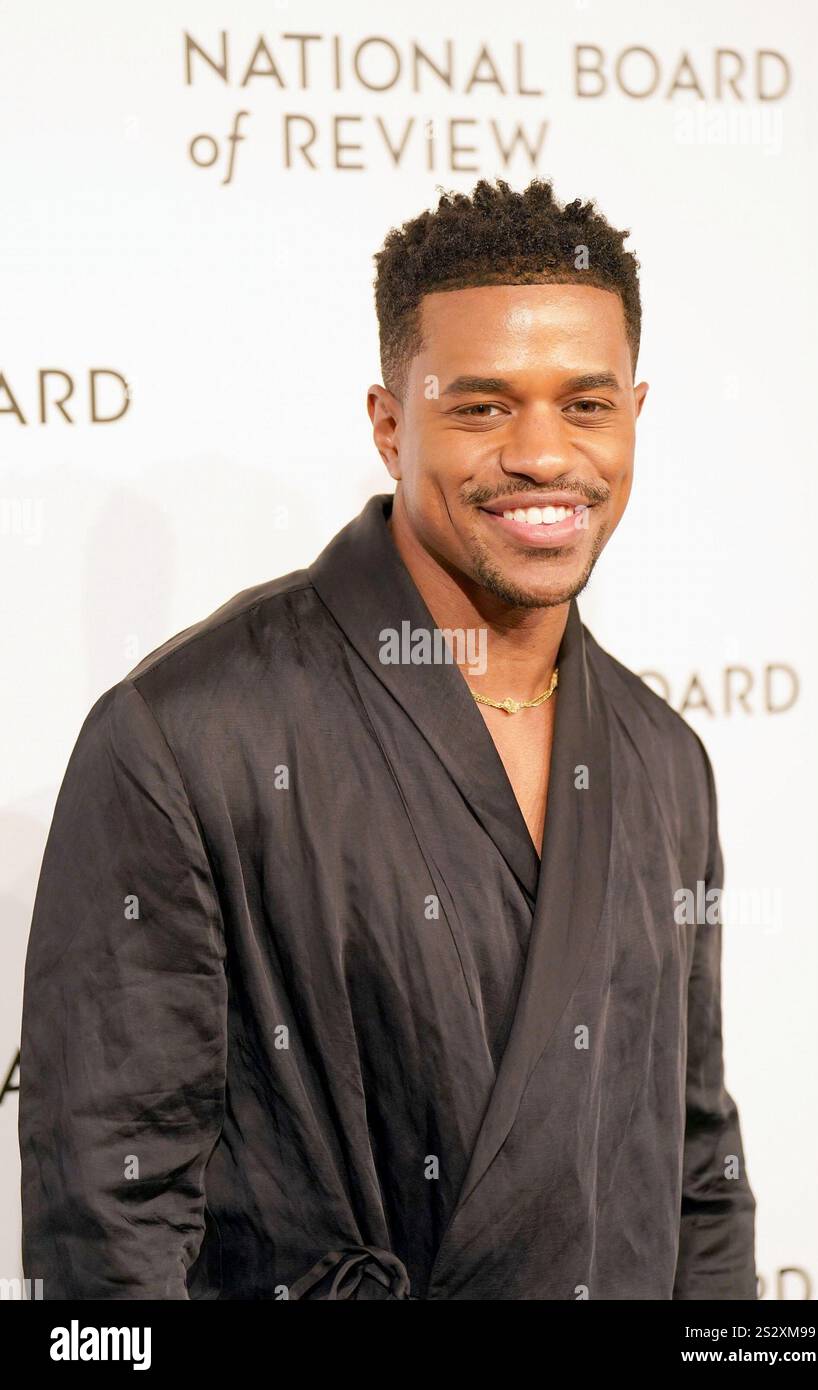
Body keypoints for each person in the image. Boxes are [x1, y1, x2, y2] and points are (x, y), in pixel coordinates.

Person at [19, 178, 757, 1300]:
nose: (544, 456)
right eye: (481, 407)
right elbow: (102, 1219)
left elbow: (696, 1172)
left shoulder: (663, 760)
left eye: (585, 405)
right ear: (387, 423)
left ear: (634, 416)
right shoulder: (184, 736)